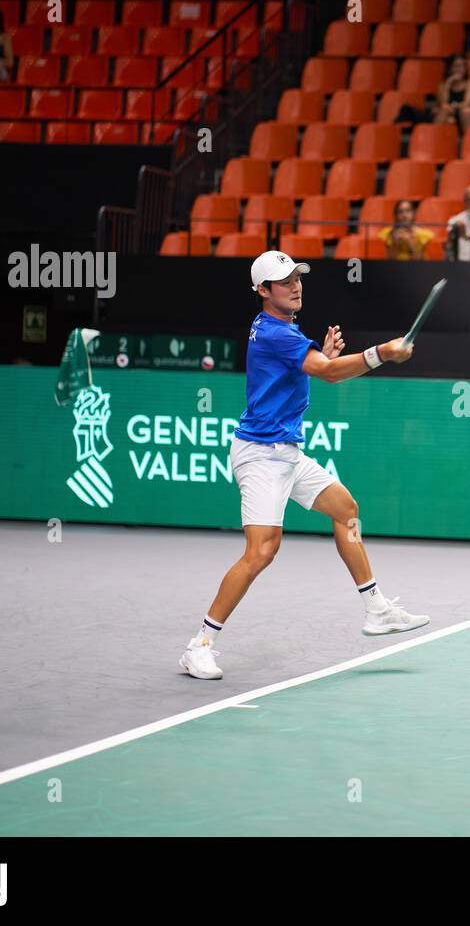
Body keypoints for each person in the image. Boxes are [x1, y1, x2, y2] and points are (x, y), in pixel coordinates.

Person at [180, 251, 426, 680]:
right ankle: (199, 645)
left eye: (297, 278)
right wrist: (382, 353)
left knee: (345, 510)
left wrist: (325, 360)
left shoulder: (282, 330)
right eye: (284, 281)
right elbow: (329, 375)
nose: (295, 286)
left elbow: (317, 371)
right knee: (261, 552)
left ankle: (376, 610)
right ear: (262, 291)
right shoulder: (277, 333)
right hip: (260, 455)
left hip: (287, 452)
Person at [432, 54, 470, 126]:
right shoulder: (443, 84)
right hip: (446, 113)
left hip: (462, 113)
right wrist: (448, 83)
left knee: (446, 110)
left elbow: (467, 103)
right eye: (456, 66)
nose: (459, 69)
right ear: (449, 68)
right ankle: (433, 135)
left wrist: (453, 107)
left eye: (462, 66)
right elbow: (443, 102)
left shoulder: (469, 84)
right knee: (448, 119)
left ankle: (431, 135)